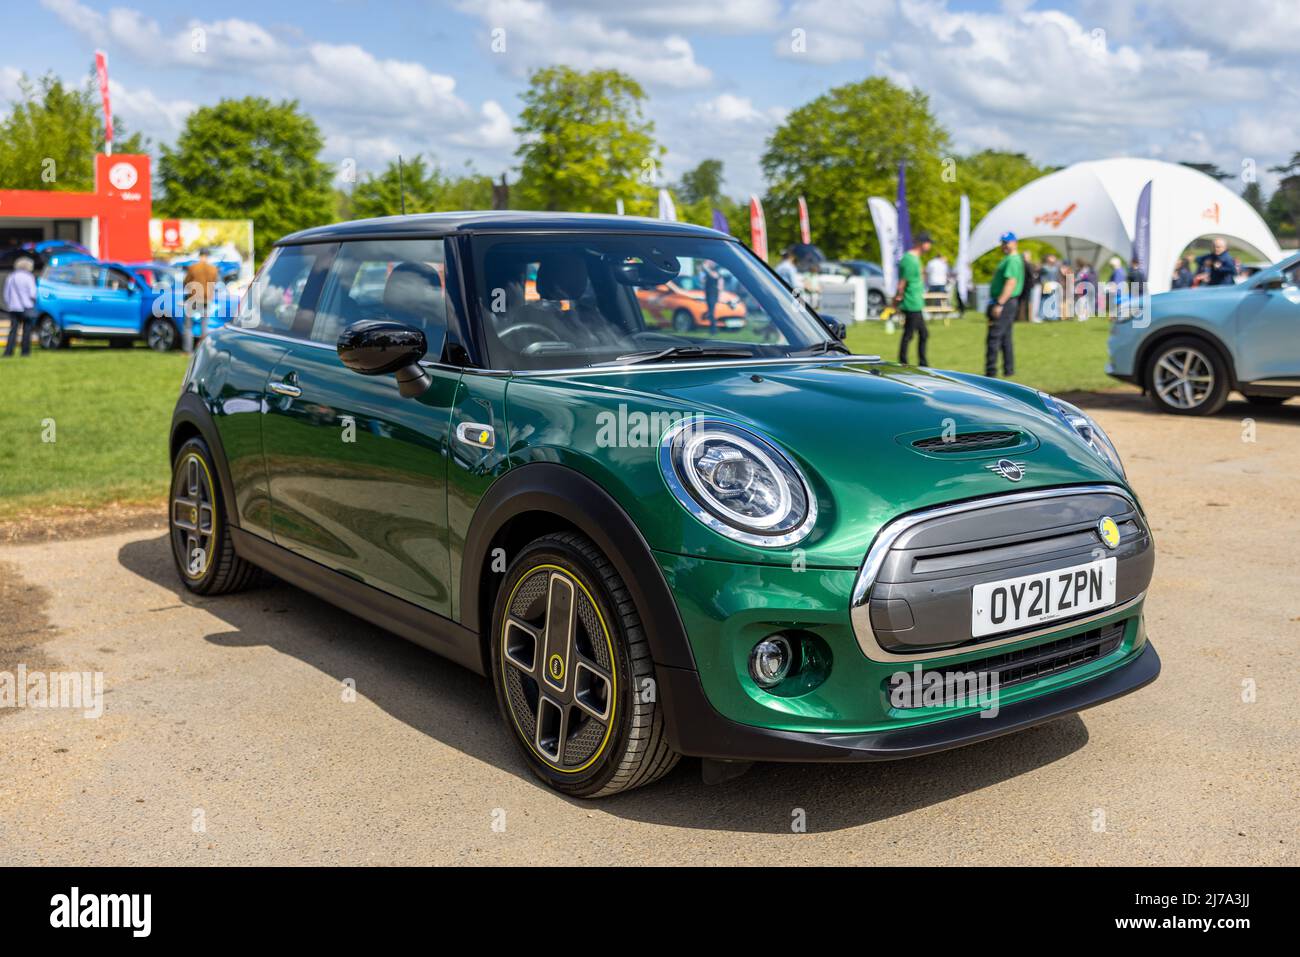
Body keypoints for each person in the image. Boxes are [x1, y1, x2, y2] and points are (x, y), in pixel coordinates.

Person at [985, 232, 1023, 377]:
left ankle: (990, 372)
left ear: (1015, 243)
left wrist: (999, 303)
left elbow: (1011, 282)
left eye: (1007, 242)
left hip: (1004, 302)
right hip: (1007, 301)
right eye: (1003, 242)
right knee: (1006, 337)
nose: (1004, 245)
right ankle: (1009, 370)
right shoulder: (1009, 258)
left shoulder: (1012, 260)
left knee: (994, 337)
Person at [894, 231, 932, 366]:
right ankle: (903, 360)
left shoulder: (916, 258)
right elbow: (902, 282)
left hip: (916, 301)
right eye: (929, 243)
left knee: (923, 334)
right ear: (922, 243)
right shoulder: (909, 259)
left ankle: (922, 362)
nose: (930, 246)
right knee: (909, 334)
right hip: (911, 302)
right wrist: (897, 298)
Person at [182, 248, 220, 353]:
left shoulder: (193, 267)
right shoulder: (213, 269)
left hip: (193, 298)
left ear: (200, 255)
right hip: (207, 299)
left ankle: (187, 350)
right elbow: (214, 283)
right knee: (204, 326)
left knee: (188, 326)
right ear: (208, 256)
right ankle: (202, 350)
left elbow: (186, 282)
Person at [3, 256, 38, 358]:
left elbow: (6, 294)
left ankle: (8, 352)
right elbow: (33, 294)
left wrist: (10, 304)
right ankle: (25, 352)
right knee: (27, 331)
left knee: (13, 331)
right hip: (26, 307)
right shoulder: (29, 277)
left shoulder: (11, 276)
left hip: (13, 307)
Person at [700, 259, 722, 333]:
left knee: (711, 312)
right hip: (708, 293)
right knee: (710, 311)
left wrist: (706, 268)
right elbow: (702, 281)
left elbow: (715, 276)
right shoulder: (707, 272)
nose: (709, 263)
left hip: (713, 294)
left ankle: (713, 330)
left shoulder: (716, 270)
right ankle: (711, 327)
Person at [1019, 250, 1041, 323]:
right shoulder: (1028, 264)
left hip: (1023, 285)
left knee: (1023, 302)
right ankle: (1031, 318)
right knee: (1031, 302)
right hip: (1030, 286)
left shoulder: (1020, 264)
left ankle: (1022, 318)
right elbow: (1031, 276)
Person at [1039, 253, 1061, 320]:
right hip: (1047, 285)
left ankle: (1054, 316)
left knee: (1054, 300)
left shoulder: (1056, 268)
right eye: (1051, 257)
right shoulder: (1044, 267)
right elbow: (1042, 278)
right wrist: (1044, 284)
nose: (1053, 259)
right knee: (1045, 300)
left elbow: (1057, 277)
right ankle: (1043, 315)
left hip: (1054, 286)